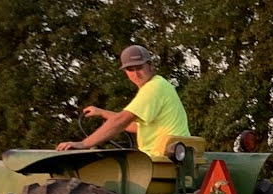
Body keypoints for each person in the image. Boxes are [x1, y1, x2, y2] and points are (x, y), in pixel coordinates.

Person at [58, 44, 191, 159]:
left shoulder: (154, 88)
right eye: (130, 69)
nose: (135, 74)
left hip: (162, 159)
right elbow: (134, 126)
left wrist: (84, 144)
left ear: (150, 65)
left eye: (139, 68)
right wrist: (101, 112)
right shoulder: (159, 85)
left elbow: (122, 120)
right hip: (169, 157)